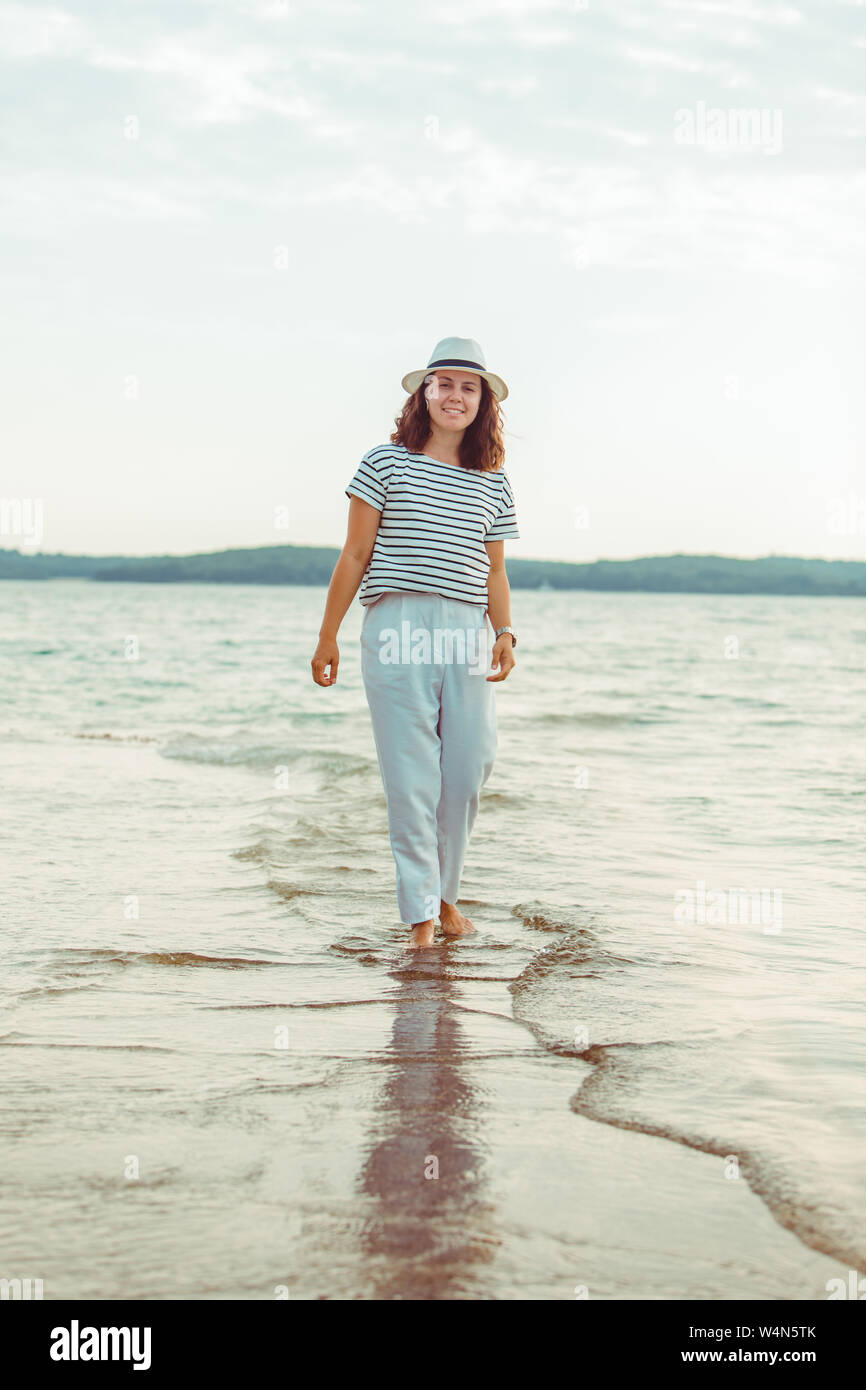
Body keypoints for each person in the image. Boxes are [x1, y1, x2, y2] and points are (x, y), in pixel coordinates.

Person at [311, 336, 520, 949]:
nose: (455, 395)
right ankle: (423, 923)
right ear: (424, 392)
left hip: (466, 631)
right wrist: (329, 635)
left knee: (468, 767)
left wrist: (504, 631)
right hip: (395, 623)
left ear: (483, 402)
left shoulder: (494, 482)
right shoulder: (384, 462)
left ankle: (447, 897)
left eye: (468, 387)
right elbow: (355, 553)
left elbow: (496, 570)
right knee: (411, 777)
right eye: (445, 383)